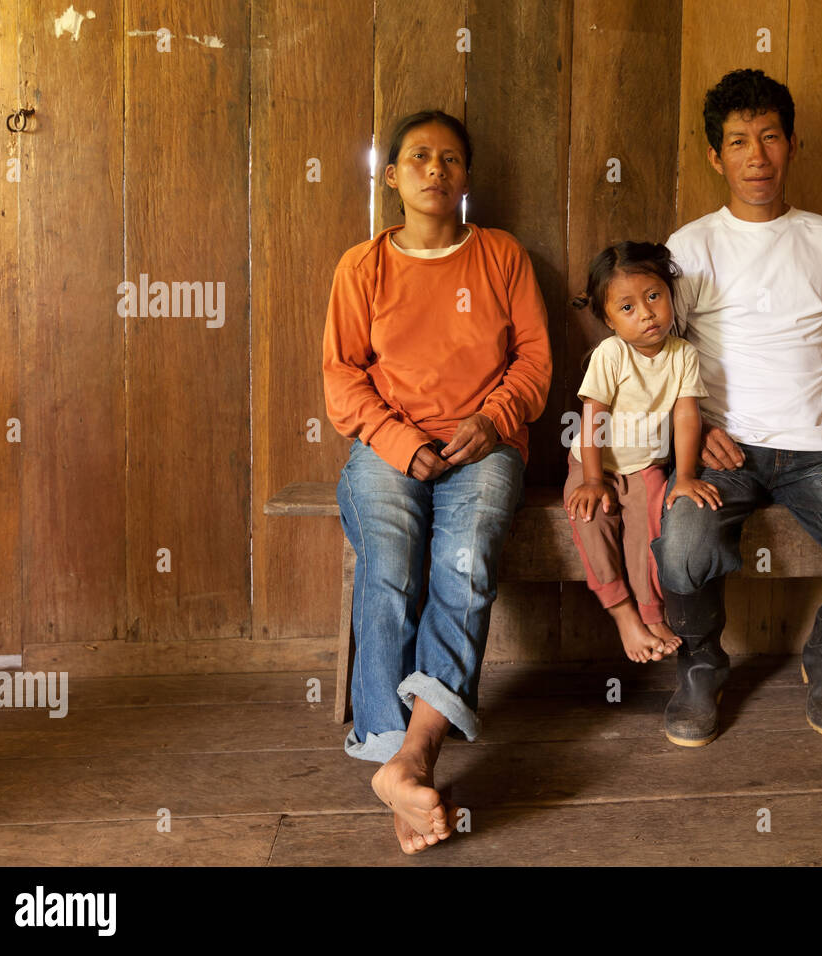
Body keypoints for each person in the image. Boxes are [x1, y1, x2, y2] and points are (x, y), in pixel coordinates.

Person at [652, 69, 822, 747]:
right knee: (683, 547)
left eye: (770, 137)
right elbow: (654, 353)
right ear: (717, 156)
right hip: (724, 450)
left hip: (818, 449)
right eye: (739, 141)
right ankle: (703, 667)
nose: (757, 156)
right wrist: (696, 432)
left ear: (793, 146)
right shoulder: (689, 248)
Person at [322, 109, 552, 853]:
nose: (435, 169)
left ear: (466, 178)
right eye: (418, 157)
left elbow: (535, 365)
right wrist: (396, 440)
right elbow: (341, 379)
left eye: (451, 159)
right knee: (388, 562)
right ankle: (403, 765)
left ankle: (411, 758)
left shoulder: (500, 256)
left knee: (468, 553)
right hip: (388, 449)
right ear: (390, 176)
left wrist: (492, 419)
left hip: (482, 446)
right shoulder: (361, 266)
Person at [564, 242, 715, 663]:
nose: (646, 313)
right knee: (589, 517)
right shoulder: (612, 354)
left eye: (653, 297)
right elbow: (592, 415)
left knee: (652, 526)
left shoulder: (683, 354)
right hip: (594, 463)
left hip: (647, 465)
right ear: (609, 319)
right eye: (627, 308)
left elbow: (687, 417)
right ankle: (623, 614)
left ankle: (652, 613)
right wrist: (593, 481)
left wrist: (684, 475)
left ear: (670, 296)